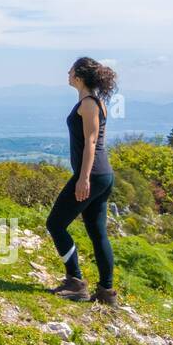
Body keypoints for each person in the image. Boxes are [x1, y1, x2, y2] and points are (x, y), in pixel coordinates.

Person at [46, 57, 118, 306]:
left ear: (79, 75)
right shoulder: (95, 102)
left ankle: (75, 282)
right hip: (103, 175)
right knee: (98, 234)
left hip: (93, 175)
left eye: (71, 69)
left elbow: (90, 142)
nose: (67, 72)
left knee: (55, 223)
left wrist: (83, 178)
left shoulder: (88, 104)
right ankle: (106, 292)